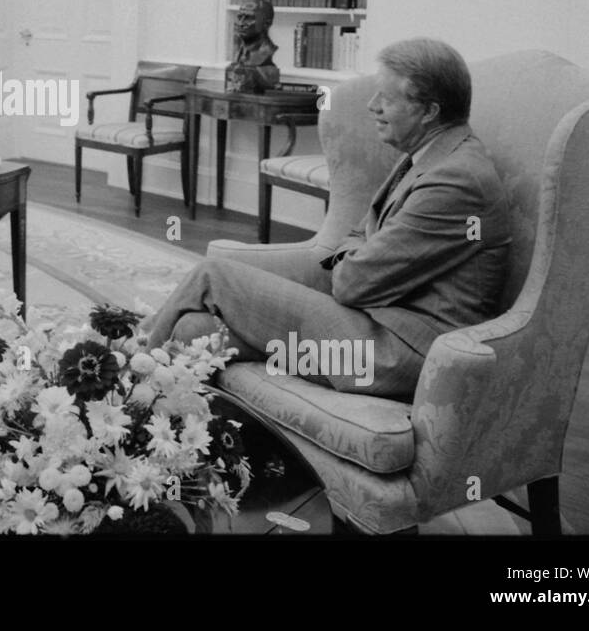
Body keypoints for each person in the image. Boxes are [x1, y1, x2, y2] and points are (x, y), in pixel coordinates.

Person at [144, 38, 511, 398]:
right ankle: (162, 425)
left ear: (429, 111)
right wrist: (363, 254)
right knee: (197, 329)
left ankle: (129, 372)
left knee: (214, 274)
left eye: (386, 98)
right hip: (379, 321)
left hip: (397, 352)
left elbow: (353, 283)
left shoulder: (454, 180)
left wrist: (361, 259)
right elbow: (358, 234)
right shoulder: (427, 153)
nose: (373, 106)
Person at [225, 0, 280, 93]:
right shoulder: (238, 51)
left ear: (266, 24)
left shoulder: (266, 51)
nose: (241, 23)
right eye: (239, 17)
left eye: (248, 18)